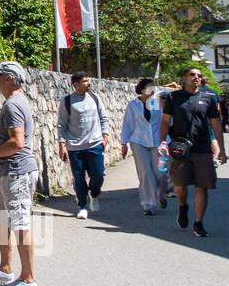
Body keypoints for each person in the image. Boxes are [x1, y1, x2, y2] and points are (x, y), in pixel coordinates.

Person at [0, 61, 40, 286]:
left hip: (17, 172)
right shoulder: (13, 102)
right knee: (2, 219)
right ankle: (5, 269)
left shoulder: (13, 105)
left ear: (11, 79)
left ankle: (28, 279)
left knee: (21, 224)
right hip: (10, 172)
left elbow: (17, 142)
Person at [159, 66, 227, 237]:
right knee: (180, 187)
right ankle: (182, 206)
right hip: (180, 149)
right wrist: (161, 142)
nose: (196, 77)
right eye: (192, 74)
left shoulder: (209, 97)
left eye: (199, 75)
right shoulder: (173, 97)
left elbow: (216, 124)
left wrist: (222, 149)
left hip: (203, 149)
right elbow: (166, 121)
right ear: (184, 78)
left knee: (201, 186)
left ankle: (198, 223)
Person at [58, 71, 110, 219]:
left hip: (95, 144)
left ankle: (94, 194)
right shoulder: (67, 101)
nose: (89, 83)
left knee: (98, 175)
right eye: (85, 81)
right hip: (75, 147)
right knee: (79, 178)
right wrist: (62, 145)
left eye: (89, 80)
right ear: (76, 84)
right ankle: (82, 205)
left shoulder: (94, 97)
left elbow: (103, 118)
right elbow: (61, 125)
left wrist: (104, 137)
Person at [121, 78, 166, 215]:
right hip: (139, 141)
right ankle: (148, 204)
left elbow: (166, 122)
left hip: (157, 141)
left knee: (160, 172)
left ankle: (160, 193)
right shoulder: (133, 105)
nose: (153, 89)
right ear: (142, 90)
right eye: (149, 87)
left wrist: (167, 140)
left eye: (154, 87)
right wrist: (124, 143)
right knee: (145, 173)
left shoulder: (157, 104)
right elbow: (127, 124)